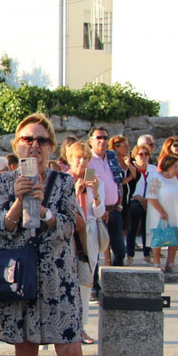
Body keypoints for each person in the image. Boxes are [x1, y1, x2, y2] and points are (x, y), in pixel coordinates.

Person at [0, 114, 87, 356]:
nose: (34, 146)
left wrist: (44, 209)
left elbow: (69, 226)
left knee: (70, 351)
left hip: (58, 278)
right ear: (16, 145)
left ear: (52, 147)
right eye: (27, 140)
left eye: (41, 140)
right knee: (25, 349)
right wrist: (19, 201)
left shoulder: (63, 182)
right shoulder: (4, 182)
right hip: (20, 275)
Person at [67, 141, 105, 345]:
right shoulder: (64, 180)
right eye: (78, 158)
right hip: (70, 233)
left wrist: (96, 193)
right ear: (70, 159)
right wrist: (74, 191)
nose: (82, 162)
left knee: (85, 281)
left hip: (88, 232)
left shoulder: (95, 181)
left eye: (86, 158)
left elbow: (99, 213)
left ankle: (81, 326)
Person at [87, 127, 125, 301]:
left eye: (105, 137)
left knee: (119, 250)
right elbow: (89, 184)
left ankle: (115, 285)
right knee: (95, 251)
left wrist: (119, 205)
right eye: (98, 138)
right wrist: (99, 207)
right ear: (91, 140)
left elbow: (118, 181)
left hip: (113, 209)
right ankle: (94, 286)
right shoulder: (88, 160)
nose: (102, 141)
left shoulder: (111, 156)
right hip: (98, 211)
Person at [146, 154, 178, 273]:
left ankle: (171, 263)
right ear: (167, 166)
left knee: (174, 237)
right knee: (158, 237)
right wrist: (162, 211)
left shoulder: (174, 179)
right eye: (175, 166)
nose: (177, 169)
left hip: (175, 213)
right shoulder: (156, 177)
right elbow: (151, 196)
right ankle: (156, 262)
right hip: (160, 214)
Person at [126, 144, 157, 265]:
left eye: (146, 154)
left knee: (148, 227)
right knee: (132, 227)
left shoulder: (153, 169)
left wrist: (148, 199)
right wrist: (138, 197)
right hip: (134, 200)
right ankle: (130, 254)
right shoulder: (131, 167)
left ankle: (147, 253)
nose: (143, 157)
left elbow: (155, 185)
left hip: (149, 200)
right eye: (140, 154)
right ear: (135, 155)